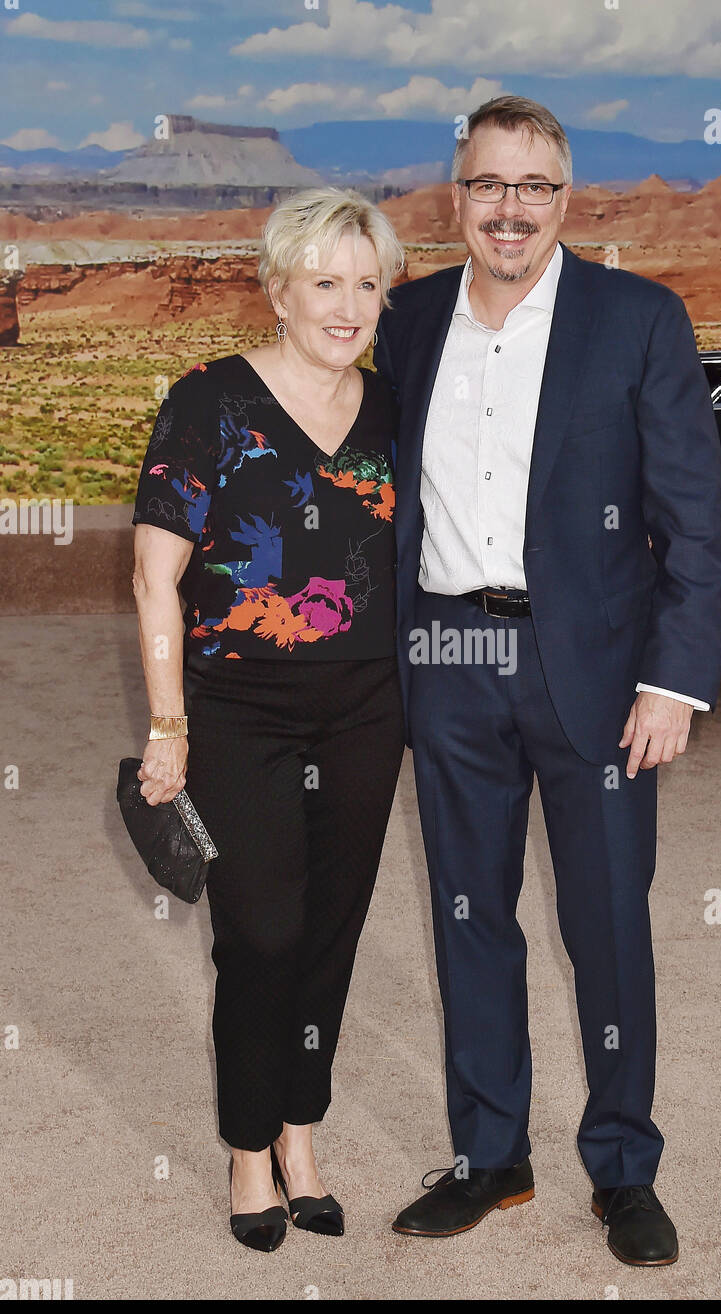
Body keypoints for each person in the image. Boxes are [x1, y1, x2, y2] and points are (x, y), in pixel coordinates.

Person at [375, 95, 721, 1265]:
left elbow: (694, 519)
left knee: (606, 927)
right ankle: (491, 1155)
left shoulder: (636, 318)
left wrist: (674, 684)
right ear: (456, 197)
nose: (510, 209)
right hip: (449, 661)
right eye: (487, 185)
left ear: (565, 198)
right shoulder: (412, 316)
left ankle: (623, 1168)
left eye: (533, 187)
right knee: (470, 919)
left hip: (595, 671)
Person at [131, 188, 406, 1251]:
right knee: (261, 931)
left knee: (331, 928)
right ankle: (247, 1147)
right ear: (279, 290)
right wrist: (168, 726)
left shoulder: (389, 408)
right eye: (325, 282)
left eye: (367, 284)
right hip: (238, 705)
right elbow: (157, 579)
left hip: (368, 705)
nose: (347, 306)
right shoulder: (211, 401)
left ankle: (300, 1131)